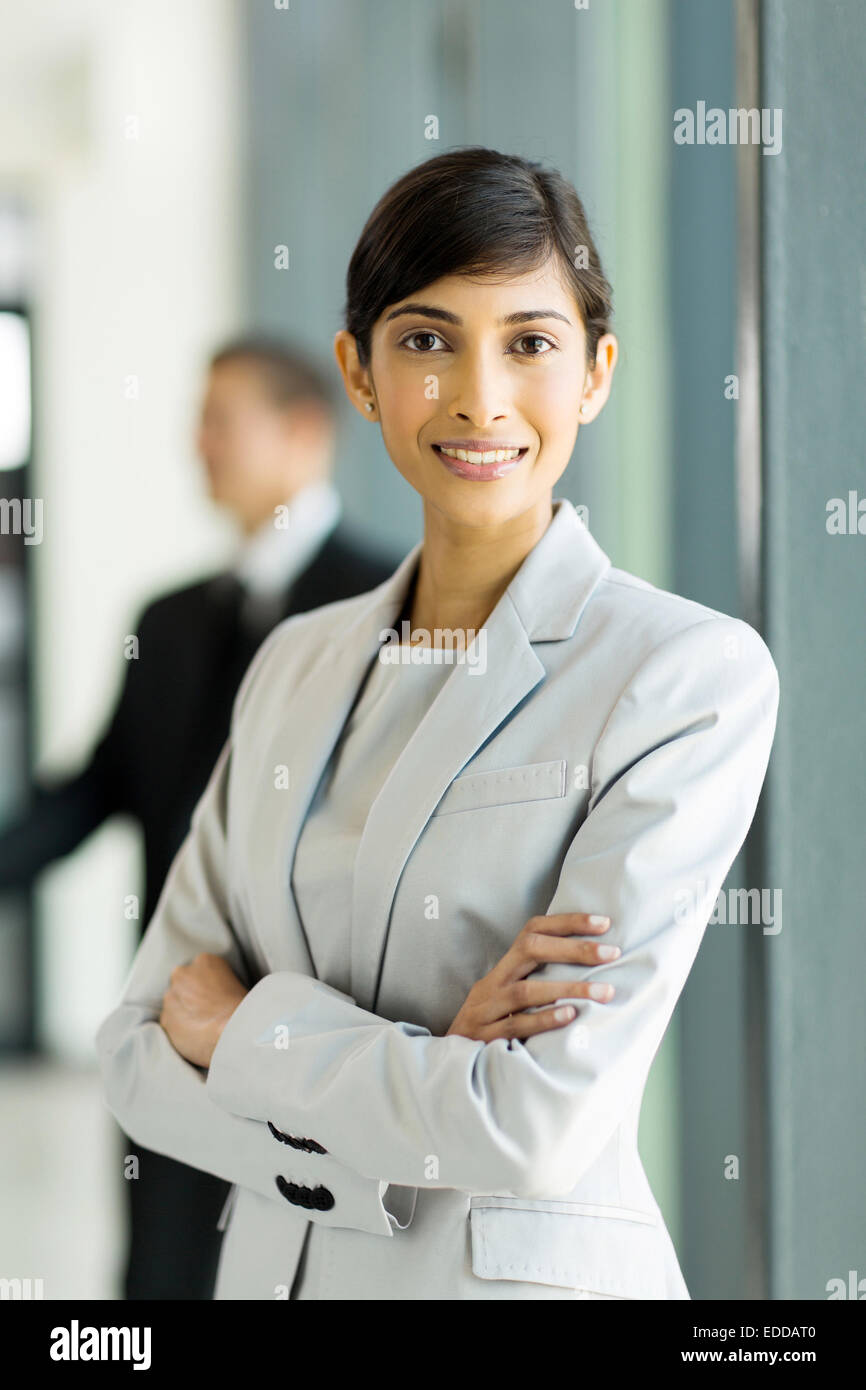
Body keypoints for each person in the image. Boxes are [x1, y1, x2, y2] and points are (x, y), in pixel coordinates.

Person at [96, 148, 780, 1300]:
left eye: (528, 342)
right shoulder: (294, 663)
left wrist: (249, 1031)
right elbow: (132, 1055)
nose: (478, 395)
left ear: (596, 372)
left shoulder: (679, 676)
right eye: (424, 340)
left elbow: (529, 1124)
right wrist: (425, 1069)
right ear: (357, 375)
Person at [0, 335, 397, 1298]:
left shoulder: (389, 608)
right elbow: (97, 787)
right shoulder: (169, 617)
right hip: (174, 1013)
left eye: (220, 419)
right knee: (168, 1269)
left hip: (319, 1029)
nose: (198, 444)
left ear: (303, 432)